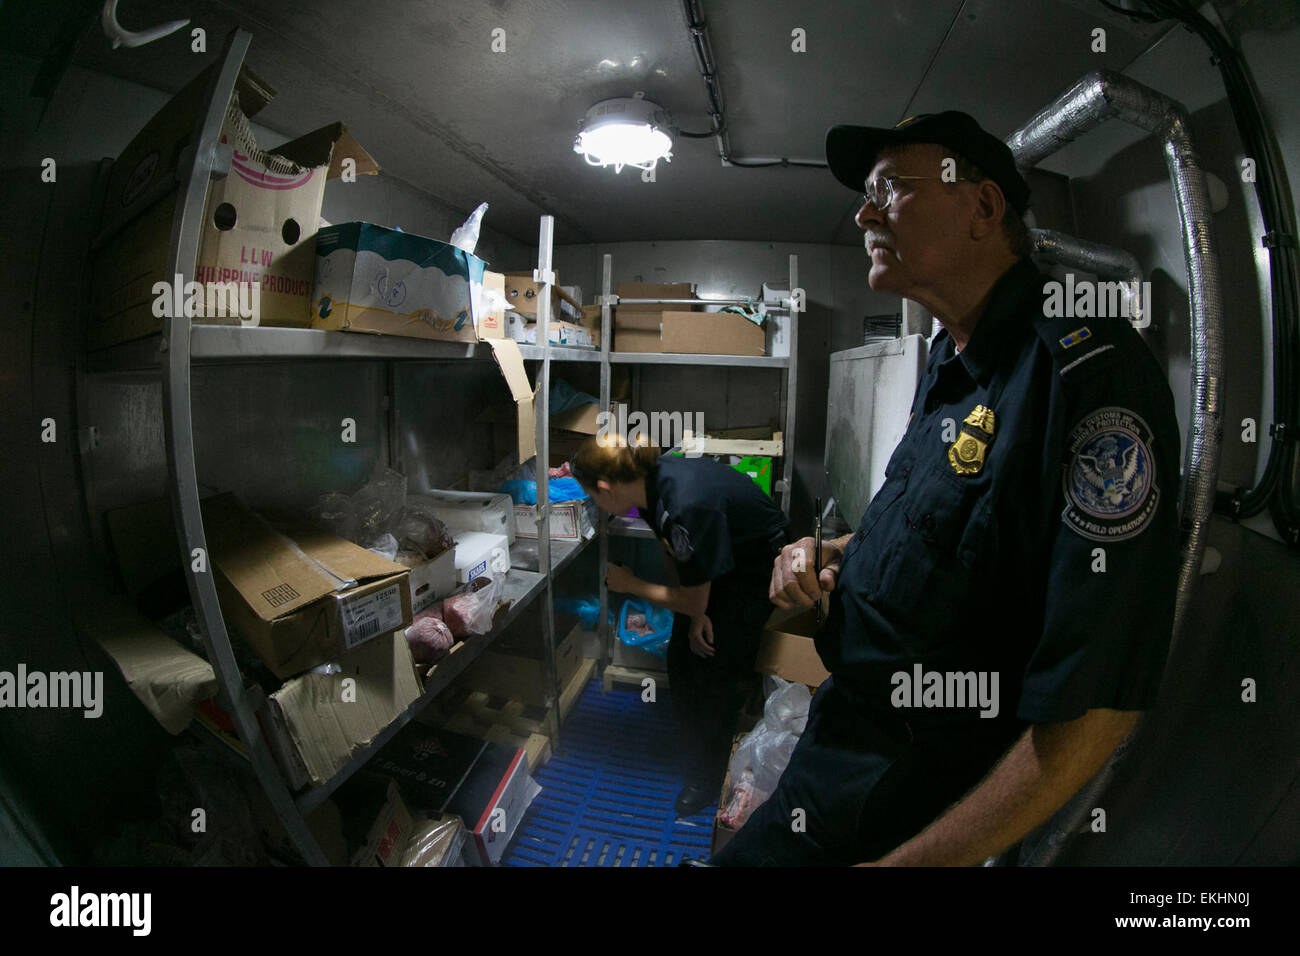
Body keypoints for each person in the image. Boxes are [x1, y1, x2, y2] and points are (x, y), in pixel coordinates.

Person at [710, 111, 1181, 866]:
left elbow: (1099, 701)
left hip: (912, 789)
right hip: (844, 733)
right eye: (866, 194)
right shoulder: (948, 355)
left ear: (984, 207)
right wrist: (828, 550)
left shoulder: (1088, 375)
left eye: (892, 188)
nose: (864, 213)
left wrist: (917, 866)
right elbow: (939, 525)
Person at [571, 436, 790, 816]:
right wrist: (692, 610)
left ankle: (710, 773)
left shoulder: (683, 500)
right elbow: (672, 546)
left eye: (592, 496)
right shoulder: (650, 485)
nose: (596, 505)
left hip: (756, 568)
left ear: (605, 489)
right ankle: (700, 743)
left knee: (714, 665)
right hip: (720, 558)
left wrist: (631, 584)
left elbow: (688, 570)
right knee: (683, 654)